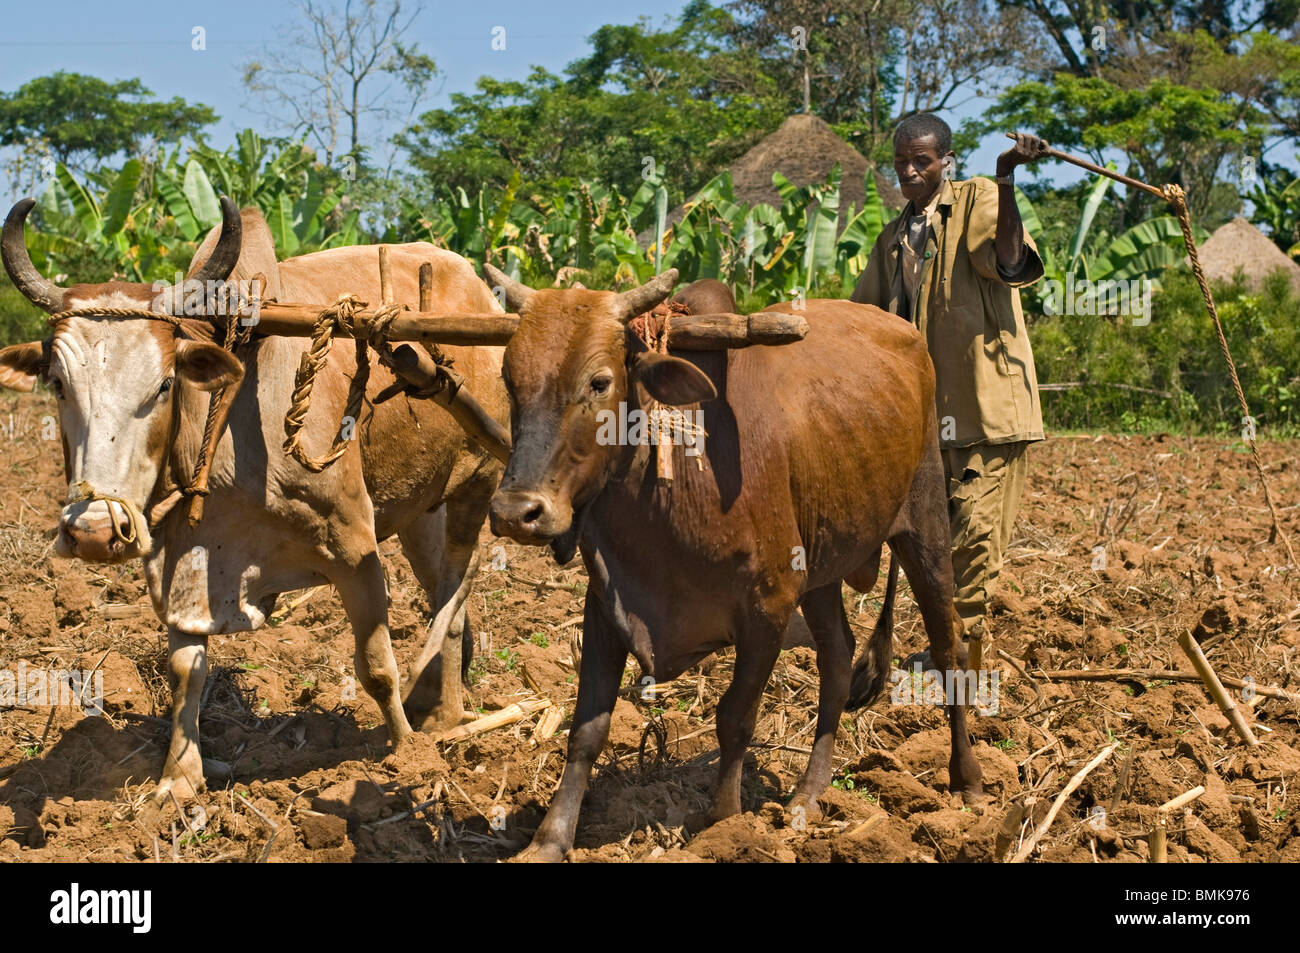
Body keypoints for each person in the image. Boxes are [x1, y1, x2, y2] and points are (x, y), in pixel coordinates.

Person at [852, 113, 1048, 665]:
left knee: (971, 556)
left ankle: (961, 692)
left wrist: (1007, 179)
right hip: (921, 428)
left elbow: (1010, 261)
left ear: (947, 163)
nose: (910, 173)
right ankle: (950, 670)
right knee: (933, 559)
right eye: (901, 164)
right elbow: (860, 319)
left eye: (923, 162)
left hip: (985, 414)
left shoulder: (980, 201)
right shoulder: (892, 239)